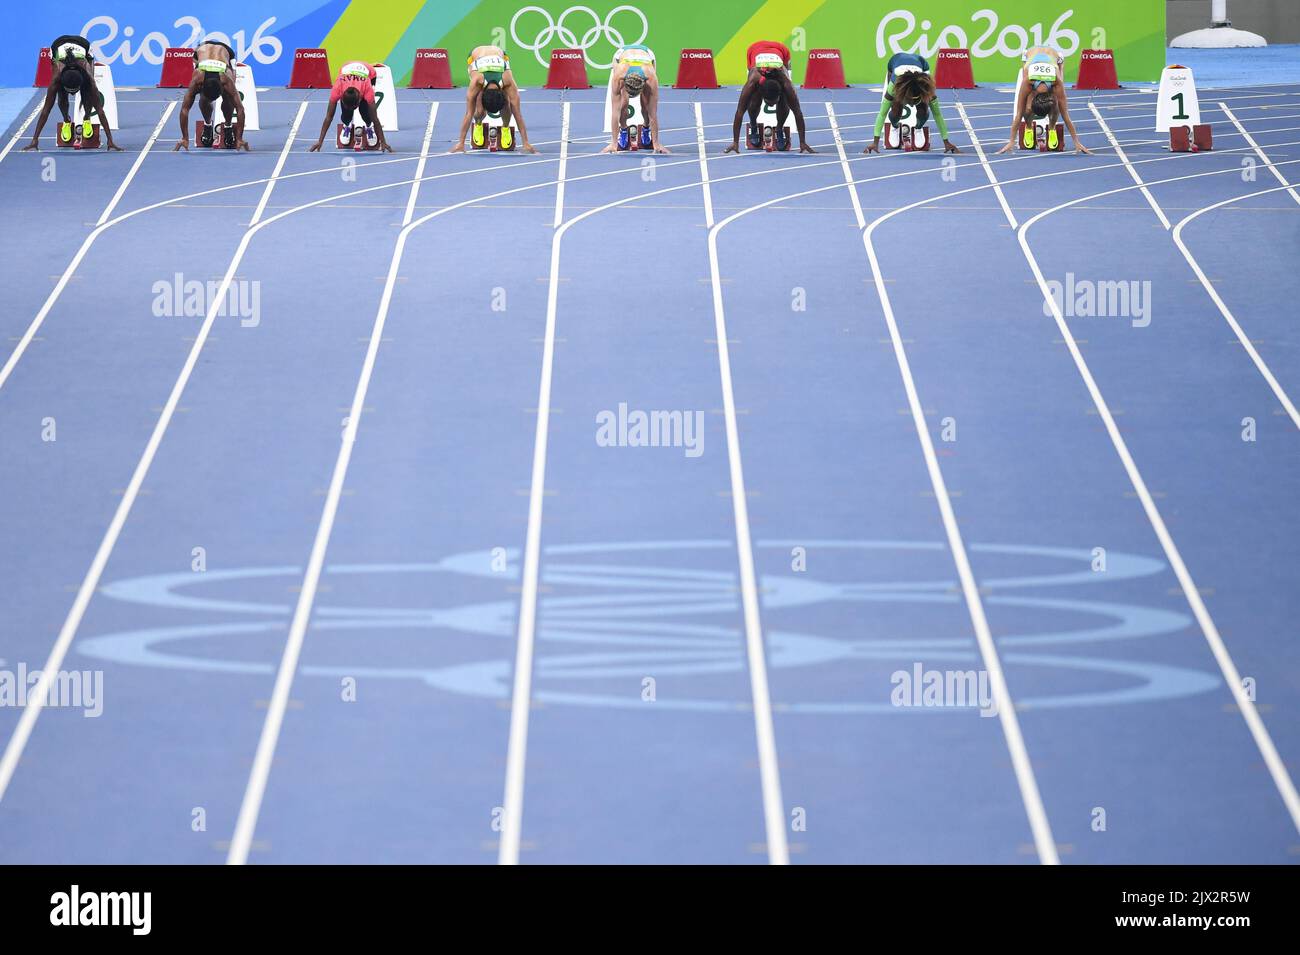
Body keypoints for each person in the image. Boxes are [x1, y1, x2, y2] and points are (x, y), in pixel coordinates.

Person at [23, 35, 120, 151]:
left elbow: (100, 110)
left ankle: (87, 118)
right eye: (71, 92)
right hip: (58, 45)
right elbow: (46, 110)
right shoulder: (56, 77)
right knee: (62, 96)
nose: (73, 95)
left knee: (88, 92)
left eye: (75, 91)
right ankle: (66, 121)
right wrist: (35, 139)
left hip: (83, 46)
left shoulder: (87, 74)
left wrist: (110, 140)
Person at [997, 47, 1091, 154]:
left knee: (1057, 106)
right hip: (1031, 56)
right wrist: (1011, 142)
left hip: (1054, 58)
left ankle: (1051, 128)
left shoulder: (1056, 83)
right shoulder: (1028, 82)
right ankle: (1028, 126)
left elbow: (1066, 116)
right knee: (1027, 109)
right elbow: (1019, 114)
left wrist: (1077, 142)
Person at [724, 41, 813, 153]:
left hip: (782, 50)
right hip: (754, 49)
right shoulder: (753, 80)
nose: (771, 105)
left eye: (773, 103)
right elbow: (740, 112)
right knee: (754, 99)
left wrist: (802, 142)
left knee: (785, 101)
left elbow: (797, 112)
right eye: (769, 103)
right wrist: (735, 142)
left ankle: (779, 128)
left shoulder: (785, 83)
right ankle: (753, 124)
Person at [864, 52, 959, 154]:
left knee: (923, 109)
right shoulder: (894, 85)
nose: (912, 105)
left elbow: (937, 114)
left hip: (921, 64)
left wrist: (946, 142)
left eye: (915, 101)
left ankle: (918, 128)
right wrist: (875, 142)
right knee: (896, 109)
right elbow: (882, 113)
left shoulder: (926, 89)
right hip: (895, 62)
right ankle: (894, 126)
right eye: (910, 102)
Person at [450, 45, 537, 154]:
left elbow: (517, 113)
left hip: (501, 56)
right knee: (479, 109)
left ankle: (505, 128)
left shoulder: (507, 80)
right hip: (475, 56)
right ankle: (478, 123)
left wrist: (526, 143)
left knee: (507, 105)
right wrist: (461, 143)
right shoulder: (477, 80)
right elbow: (469, 113)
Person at [174, 39, 247, 151]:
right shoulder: (197, 79)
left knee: (228, 97)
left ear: (222, 87)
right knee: (203, 100)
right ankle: (207, 125)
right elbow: (184, 109)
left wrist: (240, 138)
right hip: (201, 49)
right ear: (201, 86)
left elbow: (240, 108)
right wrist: (184, 138)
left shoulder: (226, 79)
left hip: (226, 51)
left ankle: (228, 127)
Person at [308, 60, 392, 152]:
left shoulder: (367, 89)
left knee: (366, 113)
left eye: (354, 107)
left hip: (370, 72)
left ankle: (369, 126)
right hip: (346, 68)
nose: (352, 109)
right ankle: (347, 125)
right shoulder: (337, 89)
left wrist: (383, 141)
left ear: (359, 99)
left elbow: (375, 118)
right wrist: (320, 141)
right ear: (342, 98)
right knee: (346, 114)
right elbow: (329, 117)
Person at [602, 45, 669, 154]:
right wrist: (613, 143)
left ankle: (645, 129)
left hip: (648, 56)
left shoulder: (651, 78)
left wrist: (656, 143)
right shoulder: (619, 77)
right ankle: (623, 130)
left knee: (646, 104)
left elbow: (653, 114)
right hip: (622, 56)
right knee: (623, 104)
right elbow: (615, 111)